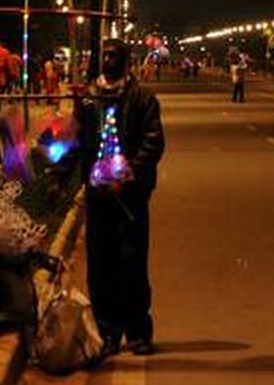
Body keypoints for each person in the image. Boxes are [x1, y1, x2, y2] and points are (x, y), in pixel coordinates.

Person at [86, 39, 165, 357]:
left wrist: (128, 172)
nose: (108, 60)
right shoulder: (90, 99)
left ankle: (137, 331)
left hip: (130, 196)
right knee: (101, 265)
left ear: (126, 61)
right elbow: (75, 139)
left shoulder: (143, 99)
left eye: (114, 55)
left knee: (132, 263)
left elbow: (154, 140)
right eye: (104, 55)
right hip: (98, 196)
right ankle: (106, 331)